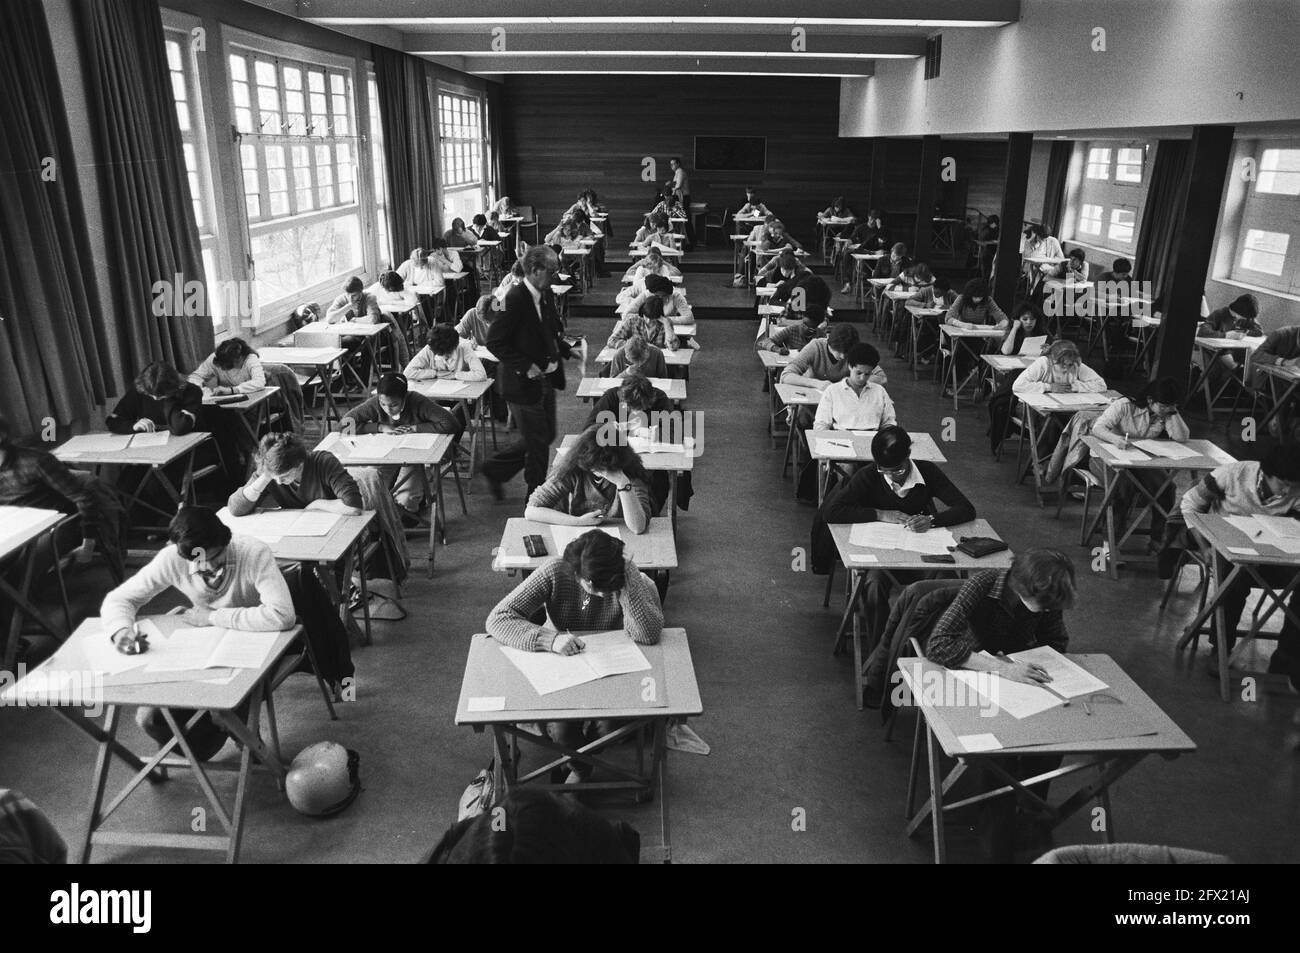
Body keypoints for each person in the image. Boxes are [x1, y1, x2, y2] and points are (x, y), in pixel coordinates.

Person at [101, 506, 296, 761]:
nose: (208, 567)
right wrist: (121, 631)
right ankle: (201, 750)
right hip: (202, 645)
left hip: (253, 644)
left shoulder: (252, 552)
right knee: (148, 718)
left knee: (227, 709)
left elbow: (282, 615)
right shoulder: (171, 559)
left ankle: (247, 744)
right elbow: (119, 599)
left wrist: (213, 617)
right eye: (198, 560)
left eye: (216, 557)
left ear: (225, 541)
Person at [924, 548, 1077, 861]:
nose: (1044, 612)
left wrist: (1041, 661)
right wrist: (1002, 668)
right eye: (1041, 606)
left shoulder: (1047, 597)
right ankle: (998, 839)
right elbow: (938, 644)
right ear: (1023, 586)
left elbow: (1056, 640)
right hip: (969, 675)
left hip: (1015, 681)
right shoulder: (982, 584)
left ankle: (1030, 812)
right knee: (1003, 754)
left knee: (1053, 739)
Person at [485, 530, 663, 781]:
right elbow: (498, 619)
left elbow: (648, 634)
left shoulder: (631, 580)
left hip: (615, 668)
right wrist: (550, 639)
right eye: (590, 584)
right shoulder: (556, 570)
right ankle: (581, 767)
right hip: (565, 666)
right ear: (576, 572)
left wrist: (628, 576)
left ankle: (575, 762)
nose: (598, 593)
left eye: (606, 586)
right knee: (561, 728)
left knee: (610, 727)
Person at [814, 427, 976, 636]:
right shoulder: (870, 475)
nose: (892, 476)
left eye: (898, 470)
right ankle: (881, 649)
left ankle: (930, 641)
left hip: (920, 551)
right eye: (885, 470)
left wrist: (931, 520)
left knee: (946, 580)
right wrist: (879, 514)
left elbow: (965, 508)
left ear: (909, 456)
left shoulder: (927, 472)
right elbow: (831, 512)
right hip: (879, 553)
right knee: (872, 586)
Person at [1180, 444, 1300, 689]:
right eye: (1283, 483)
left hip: (1273, 554)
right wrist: (1203, 548)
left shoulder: (1296, 488)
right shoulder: (1232, 474)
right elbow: (1189, 505)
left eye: (1295, 485)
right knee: (1235, 578)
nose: (1289, 490)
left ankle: (1288, 655)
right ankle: (1220, 649)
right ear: (1266, 473)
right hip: (1226, 549)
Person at [0, 414, 122, 641]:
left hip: (59, 526)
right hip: (12, 527)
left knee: (15, 580)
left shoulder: (36, 461)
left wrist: (88, 543)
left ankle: (11, 642)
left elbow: (83, 497)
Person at [481, 245, 569, 499]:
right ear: (534, 270)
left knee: (545, 435)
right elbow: (494, 341)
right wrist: (525, 365)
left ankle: (494, 469)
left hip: (547, 378)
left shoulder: (546, 293)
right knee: (538, 443)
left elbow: (548, 330)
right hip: (521, 384)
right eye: (551, 271)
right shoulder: (512, 299)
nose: (555, 275)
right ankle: (537, 495)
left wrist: (564, 348)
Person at [342, 373, 460, 525]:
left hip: (416, 455)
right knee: (370, 484)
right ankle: (380, 521)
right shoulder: (376, 403)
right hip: (386, 453)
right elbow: (346, 423)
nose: (388, 410)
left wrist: (415, 428)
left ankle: (408, 517)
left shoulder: (417, 401)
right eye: (383, 404)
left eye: (394, 405)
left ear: (405, 397)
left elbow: (451, 424)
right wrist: (379, 426)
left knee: (407, 497)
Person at [1090, 377, 1190, 553]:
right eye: (1164, 406)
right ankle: (1109, 544)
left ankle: (1157, 538)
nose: (1167, 410)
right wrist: (1115, 439)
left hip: (1138, 461)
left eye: (1171, 405)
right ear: (1150, 400)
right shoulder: (1124, 405)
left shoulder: (1165, 413)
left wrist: (1172, 412)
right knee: (1122, 488)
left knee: (1167, 488)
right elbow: (1098, 428)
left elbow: (1182, 437)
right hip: (1106, 457)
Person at [525, 425, 654, 534]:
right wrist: (578, 522)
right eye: (594, 467)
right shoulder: (574, 468)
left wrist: (623, 483)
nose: (599, 472)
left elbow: (638, 527)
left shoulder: (631, 472)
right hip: (578, 534)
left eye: (605, 468)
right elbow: (531, 510)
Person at [228, 432, 363, 518]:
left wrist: (317, 504)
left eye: (285, 476)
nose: (279, 482)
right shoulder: (269, 470)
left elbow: (353, 506)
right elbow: (235, 508)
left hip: (335, 525)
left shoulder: (324, 462)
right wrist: (266, 476)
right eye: (275, 477)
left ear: (299, 464)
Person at [813, 343, 896, 432]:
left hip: (873, 438)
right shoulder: (832, 391)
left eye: (867, 374)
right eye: (858, 373)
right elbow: (821, 425)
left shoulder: (879, 391)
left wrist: (887, 434)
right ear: (849, 366)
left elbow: (889, 422)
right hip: (841, 438)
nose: (862, 378)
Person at [944, 279, 1010, 390]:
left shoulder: (988, 300)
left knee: (988, 352)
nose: (978, 298)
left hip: (977, 335)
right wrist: (962, 324)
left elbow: (1001, 316)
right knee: (961, 352)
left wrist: (1002, 324)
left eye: (980, 296)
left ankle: (984, 385)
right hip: (961, 335)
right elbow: (948, 317)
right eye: (975, 296)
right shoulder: (961, 299)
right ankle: (952, 384)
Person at [405, 324, 488, 382]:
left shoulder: (464, 347)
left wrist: (455, 375)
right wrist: (435, 373)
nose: (446, 357)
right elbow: (408, 373)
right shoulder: (430, 348)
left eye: (448, 354)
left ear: (455, 346)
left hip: (462, 393)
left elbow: (481, 375)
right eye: (441, 354)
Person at [188, 338, 266, 397]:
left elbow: (259, 382)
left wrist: (231, 390)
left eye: (225, 366)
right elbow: (196, 376)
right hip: (225, 403)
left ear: (237, 359)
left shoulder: (250, 358)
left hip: (248, 398)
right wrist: (198, 389)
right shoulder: (214, 358)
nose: (222, 369)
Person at [607, 295, 678, 352]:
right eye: (646, 316)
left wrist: (666, 323)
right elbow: (612, 340)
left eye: (652, 318)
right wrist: (634, 346)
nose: (648, 321)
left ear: (659, 316)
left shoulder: (665, 324)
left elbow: (673, 347)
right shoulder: (632, 321)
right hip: (635, 360)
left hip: (655, 363)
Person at [618, 274, 693, 326]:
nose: (660, 298)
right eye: (657, 295)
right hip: (647, 328)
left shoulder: (676, 296)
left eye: (664, 296)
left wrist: (664, 320)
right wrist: (648, 318)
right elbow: (626, 315)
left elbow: (689, 318)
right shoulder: (646, 295)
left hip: (667, 329)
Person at [666, 156, 693, 248]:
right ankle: (685, 243)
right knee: (681, 222)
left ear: (678, 164)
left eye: (673, 164)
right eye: (671, 164)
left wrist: (670, 186)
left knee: (685, 220)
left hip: (683, 198)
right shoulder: (677, 173)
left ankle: (690, 243)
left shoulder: (680, 171)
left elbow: (678, 186)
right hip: (680, 198)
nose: (672, 166)